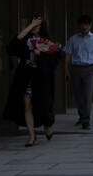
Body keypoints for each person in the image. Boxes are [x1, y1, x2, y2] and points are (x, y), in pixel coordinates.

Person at [4, 16, 61, 146]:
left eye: (37, 26)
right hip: (26, 77)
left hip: (41, 78)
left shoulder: (47, 42)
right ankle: (31, 135)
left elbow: (54, 60)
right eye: (32, 25)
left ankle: (47, 125)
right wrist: (30, 26)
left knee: (43, 105)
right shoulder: (26, 41)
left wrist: (41, 55)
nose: (34, 28)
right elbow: (12, 46)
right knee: (26, 103)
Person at [63, 15, 93, 130]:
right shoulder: (73, 39)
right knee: (78, 95)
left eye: (86, 24)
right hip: (76, 68)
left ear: (90, 25)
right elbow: (68, 54)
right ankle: (82, 116)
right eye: (82, 24)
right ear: (79, 26)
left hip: (90, 69)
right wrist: (66, 70)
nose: (84, 26)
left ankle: (86, 120)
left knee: (87, 94)